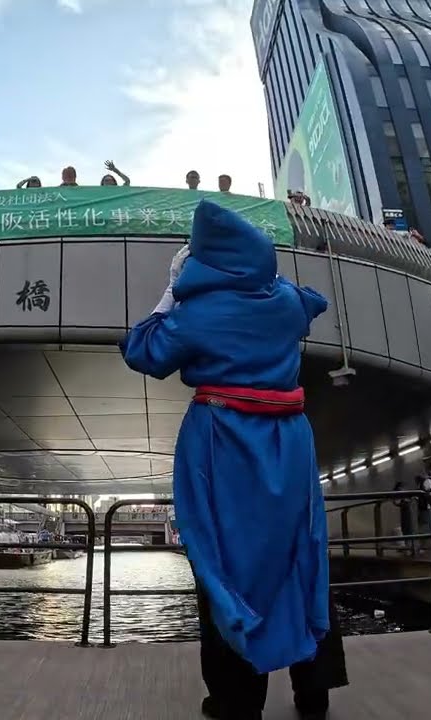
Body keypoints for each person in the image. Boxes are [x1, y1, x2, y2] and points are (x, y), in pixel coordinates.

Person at [120, 200, 333, 719]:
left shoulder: (196, 315)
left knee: (223, 566)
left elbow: (141, 351)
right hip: (290, 443)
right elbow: (316, 300)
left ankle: (238, 702)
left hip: (224, 445)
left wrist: (171, 291)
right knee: (300, 557)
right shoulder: (284, 301)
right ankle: (315, 693)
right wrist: (271, 282)